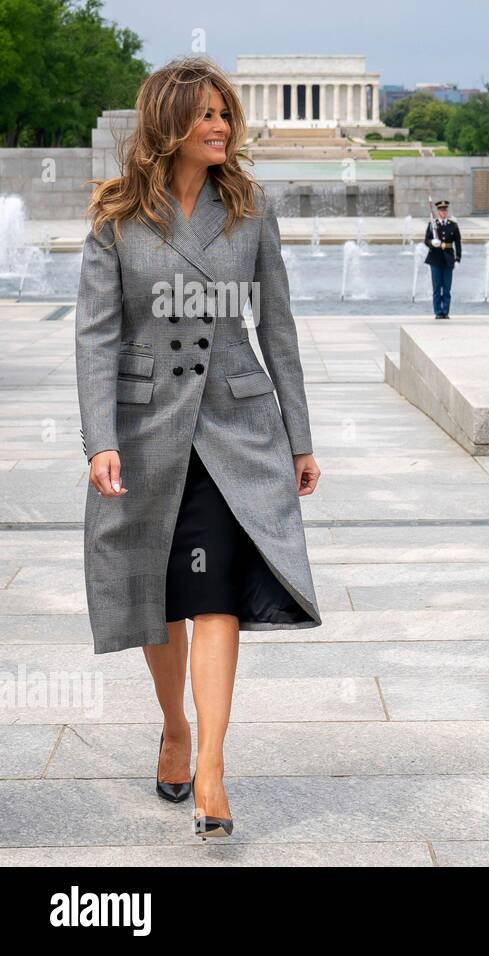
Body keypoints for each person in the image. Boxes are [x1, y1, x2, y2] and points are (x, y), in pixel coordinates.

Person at [75, 57, 323, 840]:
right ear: (169, 122)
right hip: (146, 432)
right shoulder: (117, 218)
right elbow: (95, 340)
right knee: (159, 600)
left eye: (226, 113)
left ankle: (211, 762)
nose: (221, 125)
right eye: (206, 114)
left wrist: (299, 437)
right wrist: (99, 442)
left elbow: (276, 328)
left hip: (234, 428)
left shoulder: (249, 210)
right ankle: (174, 728)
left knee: (215, 596)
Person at [423, 199, 462, 319]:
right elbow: (426, 240)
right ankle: (438, 312)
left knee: (446, 288)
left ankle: (445, 311)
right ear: (438, 212)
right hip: (435, 259)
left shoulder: (453, 225)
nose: (443, 212)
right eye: (441, 210)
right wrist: (431, 242)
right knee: (436, 288)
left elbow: (458, 243)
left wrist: (458, 259)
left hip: (448, 259)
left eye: (445, 210)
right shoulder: (432, 224)